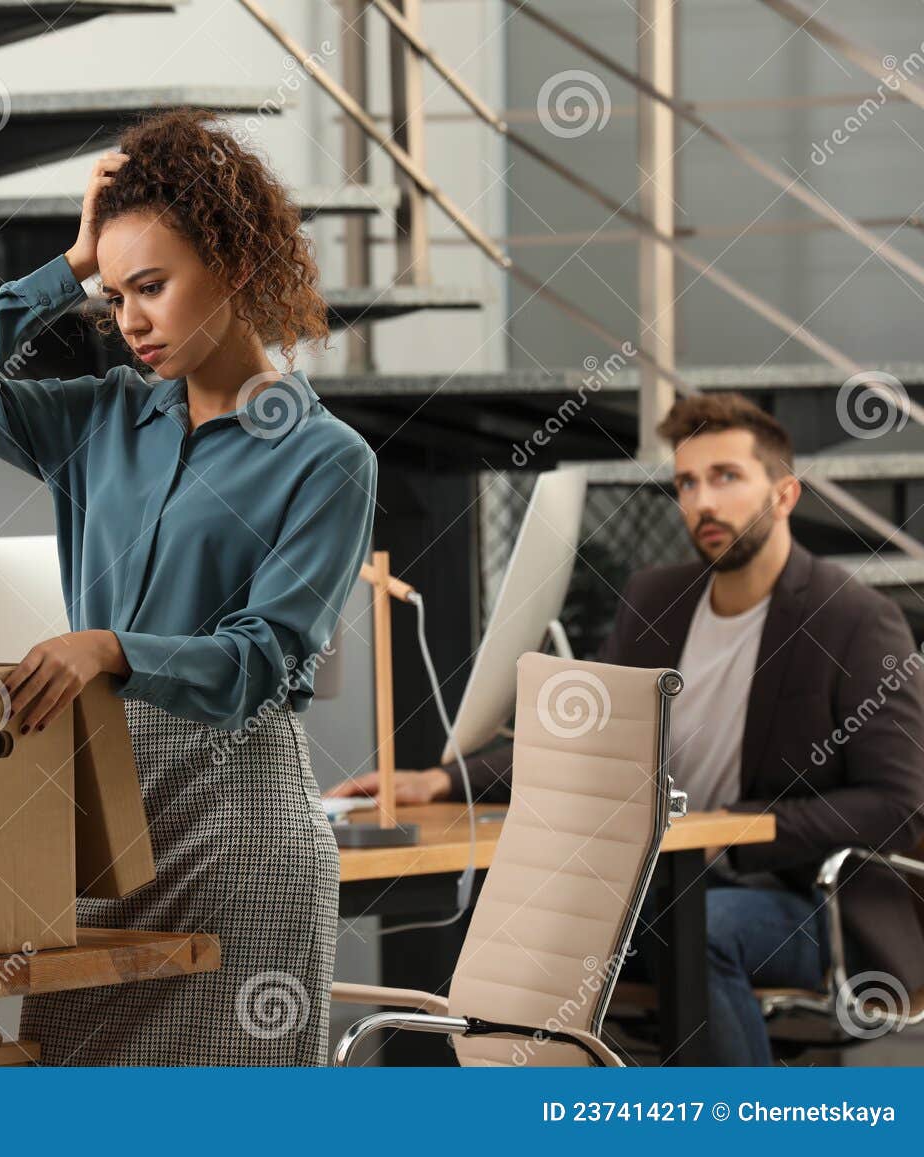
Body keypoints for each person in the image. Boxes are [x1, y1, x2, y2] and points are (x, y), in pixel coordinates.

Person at [0, 109, 376, 1065]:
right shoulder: (99, 419)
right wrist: (68, 264)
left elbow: (259, 662)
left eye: (150, 287)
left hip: (242, 843)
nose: (130, 322)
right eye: (112, 297)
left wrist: (112, 649)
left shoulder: (328, 460)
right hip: (101, 832)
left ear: (235, 265)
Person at [329, 392, 924, 1065]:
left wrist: (740, 826)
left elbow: (896, 804)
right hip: (666, 887)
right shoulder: (658, 600)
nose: (703, 501)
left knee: (696, 934)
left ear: (785, 493)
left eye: (726, 476)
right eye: (687, 482)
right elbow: (593, 747)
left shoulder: (855, 618)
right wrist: (440, 779)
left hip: (810, 903)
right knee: (520, 922)